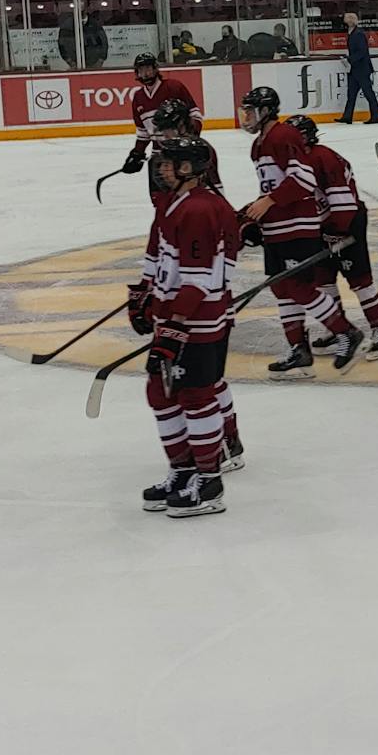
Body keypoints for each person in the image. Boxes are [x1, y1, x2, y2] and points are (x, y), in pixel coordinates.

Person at [127, 137, 241, 517]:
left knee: (195, 396)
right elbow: (164, 260)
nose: (161, 168)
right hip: (177, 316)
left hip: (198, 321)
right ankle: (183, 470)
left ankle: (209, 483)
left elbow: (198, 279)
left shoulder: (199, 208)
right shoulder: (175, 204)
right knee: (161, 392)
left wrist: (173, 329)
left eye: (170, 162)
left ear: (190, 168)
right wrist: (146, 295)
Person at [235, 86, 363, 378]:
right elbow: (272, 186)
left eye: (251, 111)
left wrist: (268, 202)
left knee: (298, 287)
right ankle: (299, 350)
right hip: (277, 229)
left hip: (298, 227)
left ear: (266, 111)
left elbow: (302, 180)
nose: (246, 117)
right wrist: (258, 213)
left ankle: (347, 332)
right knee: (281, 288)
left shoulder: (283, 136)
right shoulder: (258, 145)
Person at [287, 115, 378, 359]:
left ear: (304, 137)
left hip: (346, 225)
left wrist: (337, 233)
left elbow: (343, 202)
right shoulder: (297, 161)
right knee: (323, 279)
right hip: (324, 226)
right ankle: (340, 332)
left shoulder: (321, 157)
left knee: (359, 280)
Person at [119, 52, 200, 195]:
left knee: (185, 196)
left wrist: (188, 141)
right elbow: (143, 133)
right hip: (158, 156)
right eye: (141, 70)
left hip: (181, 154)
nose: (145, 73)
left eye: (148, 68)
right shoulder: (138, 98)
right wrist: (137, 153)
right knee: (159, 199)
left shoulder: (174, 87)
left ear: (156, 69)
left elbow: (195, 115)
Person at [336, 12, 378, 124]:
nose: (344, 21)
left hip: (362, 69)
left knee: (368, 93)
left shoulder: (358, 34)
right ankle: (347, 116)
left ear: (351, 20)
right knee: (351, 94)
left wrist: (349, 59)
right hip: (354, 69)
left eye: (346, 19)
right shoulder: (352, 33)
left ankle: (376, 116)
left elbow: (362, 52)